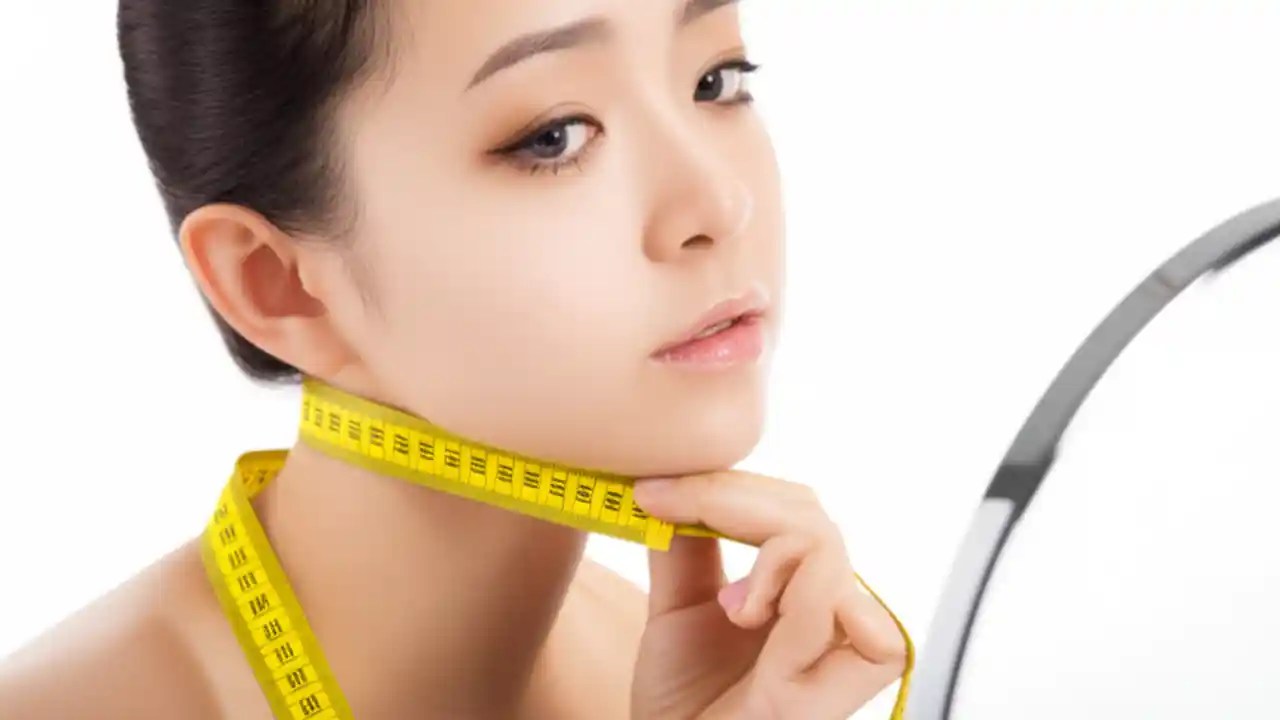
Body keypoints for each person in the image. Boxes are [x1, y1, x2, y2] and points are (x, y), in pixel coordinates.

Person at [0, 0, 908, 717]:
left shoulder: (711, 682)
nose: (718, 201)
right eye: (555, 136)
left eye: (716, 79)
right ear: (281, 283)